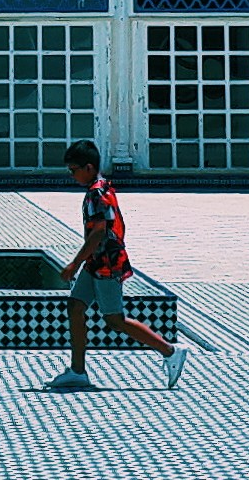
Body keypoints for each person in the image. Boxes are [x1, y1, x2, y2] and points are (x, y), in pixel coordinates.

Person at [51, 140, 184, 391]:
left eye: (74, 169)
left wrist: (73, 264)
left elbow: (98, 233)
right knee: (75, 306)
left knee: (115, 319)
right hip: (96, 263)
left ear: (88, 168)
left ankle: (169, 351)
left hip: (106, 264)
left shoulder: (96, 193)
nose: (72, 175)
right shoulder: (99, 188)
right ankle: (78, 371)